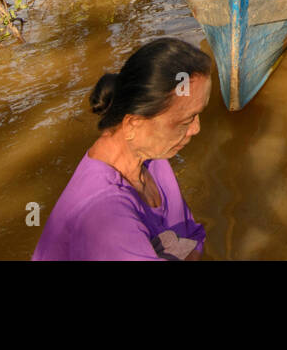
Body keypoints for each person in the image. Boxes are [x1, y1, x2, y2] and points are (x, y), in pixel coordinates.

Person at [32, 38, 212, 261]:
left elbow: (192, 237)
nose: (196, 129)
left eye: (198, 114)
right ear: (133, 124)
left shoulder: (151, 158)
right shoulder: (105, 215)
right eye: (187, 120)